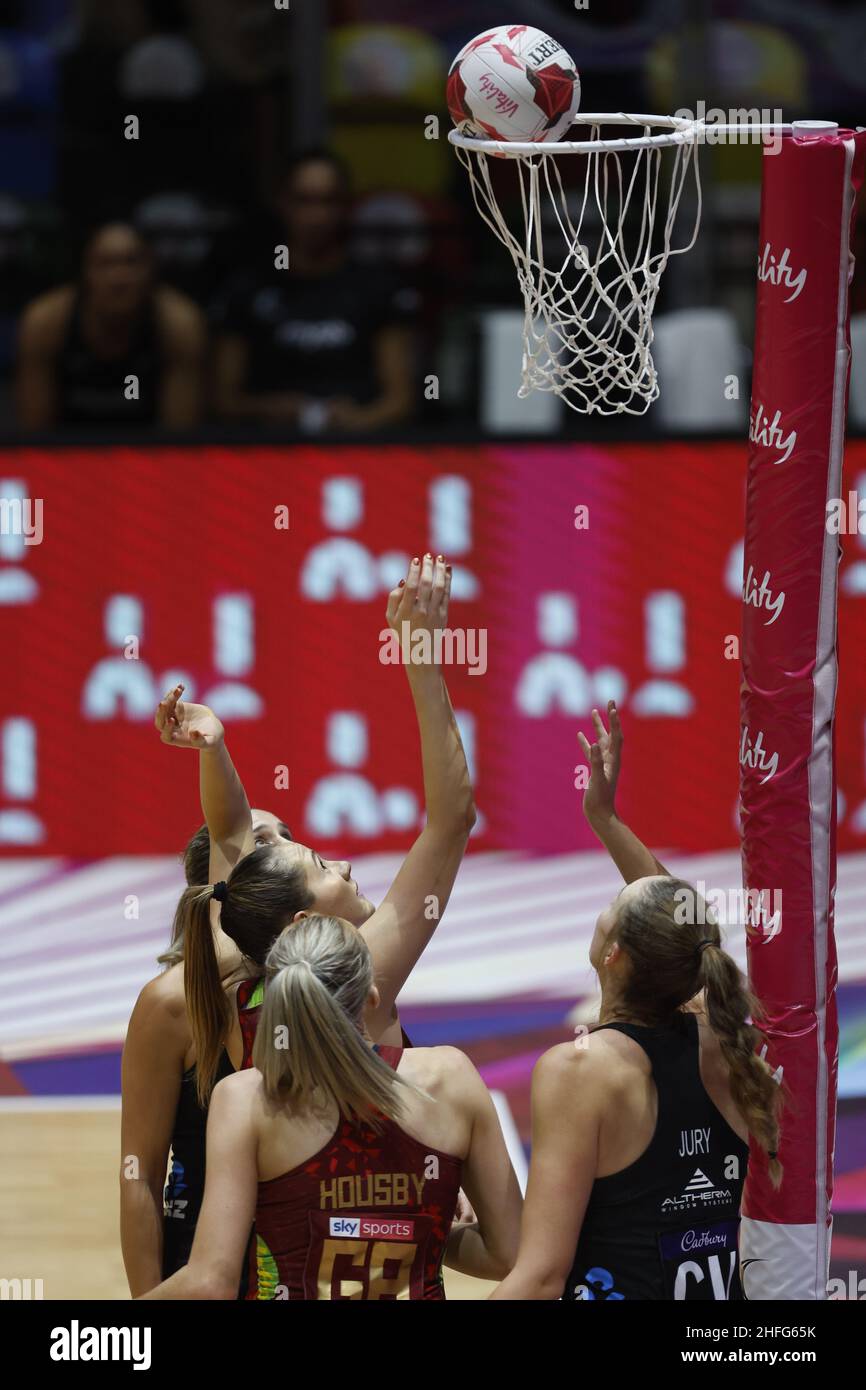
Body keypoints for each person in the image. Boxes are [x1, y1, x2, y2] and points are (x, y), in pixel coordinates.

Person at [120, 554, 475, 1295]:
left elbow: (230, 850)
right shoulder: (364, 972)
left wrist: (214, 747)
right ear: (305, 915)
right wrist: (423, 661)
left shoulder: (236, 990)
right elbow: (451, 819)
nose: (345, 865)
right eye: (321, 861)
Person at [491, 703, 783, 1301]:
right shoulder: (721, 1036)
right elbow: (686, 929)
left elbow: (542, 1277)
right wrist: (605, 817)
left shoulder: (581, 1069)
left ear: (613, 953)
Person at [140, 915, 522, 1300]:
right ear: (371, 997)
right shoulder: (451, 1077)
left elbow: (211, 1282)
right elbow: (507, 1255)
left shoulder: (247, 1098)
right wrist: (417, 1229)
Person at [212, 149, 415, 433]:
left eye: (328, 201)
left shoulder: (379, 289)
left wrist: (358, 422)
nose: (317, 216)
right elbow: (223, 401)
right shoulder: (246, 288)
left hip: (358, 450)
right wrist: (270, 409)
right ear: (281, 203)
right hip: (266, 452)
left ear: (346, 206)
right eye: (303, 201)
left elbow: (399, 401)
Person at [15, 221, 206, 430]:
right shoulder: (45, 322)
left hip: (149, 457)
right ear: (84, 271)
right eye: (105, 264)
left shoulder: (179, 324)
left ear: (151, 269)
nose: (119, 278)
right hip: (68, 456)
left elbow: (180, 437)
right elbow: (35, 434)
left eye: (131, 262)